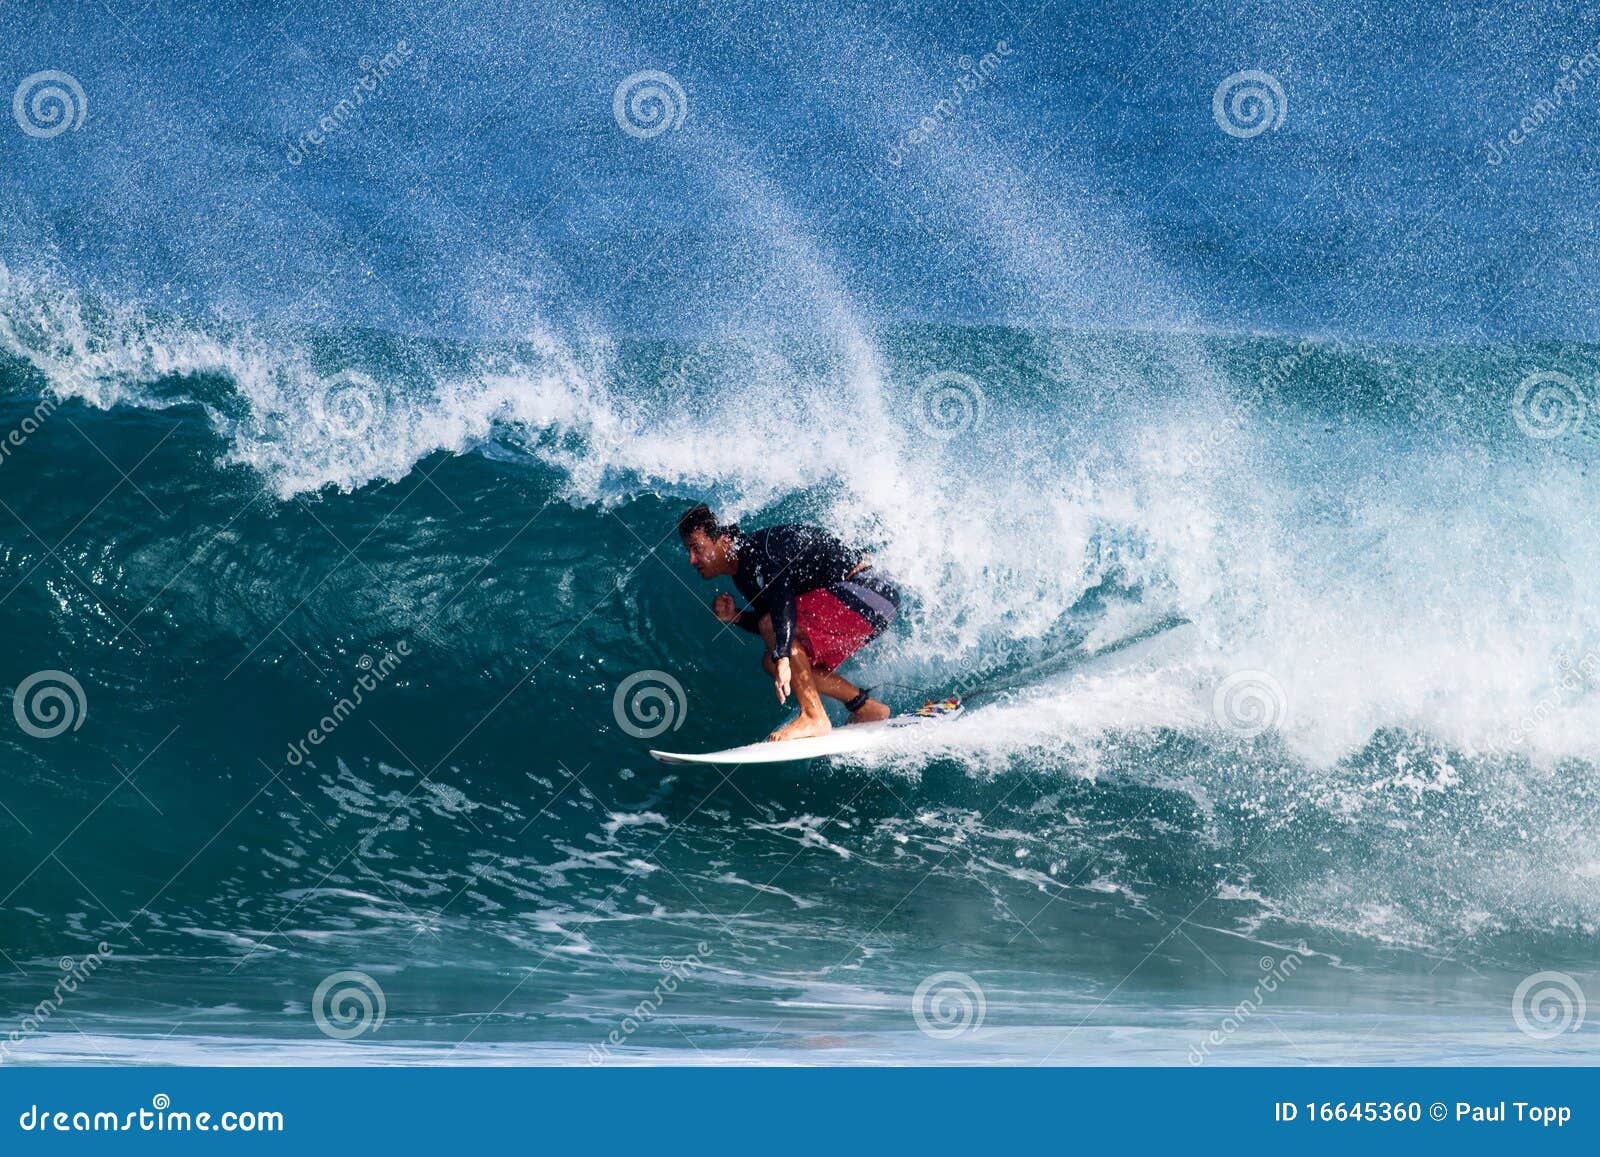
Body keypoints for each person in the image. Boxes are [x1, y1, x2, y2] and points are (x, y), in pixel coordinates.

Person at [677, 505, 899, 741]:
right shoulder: (742, 574)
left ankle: (814, 716)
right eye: (688, 550)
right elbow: (776, 624)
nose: (692, 559)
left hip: (870, 591)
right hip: (868, 607)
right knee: (771, 661)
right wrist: (737, 617)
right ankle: (866, 707)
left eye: (697, 548)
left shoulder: (758, 551)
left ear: (721, 540)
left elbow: (782, 609)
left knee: (779, 650)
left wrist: (783, 653)